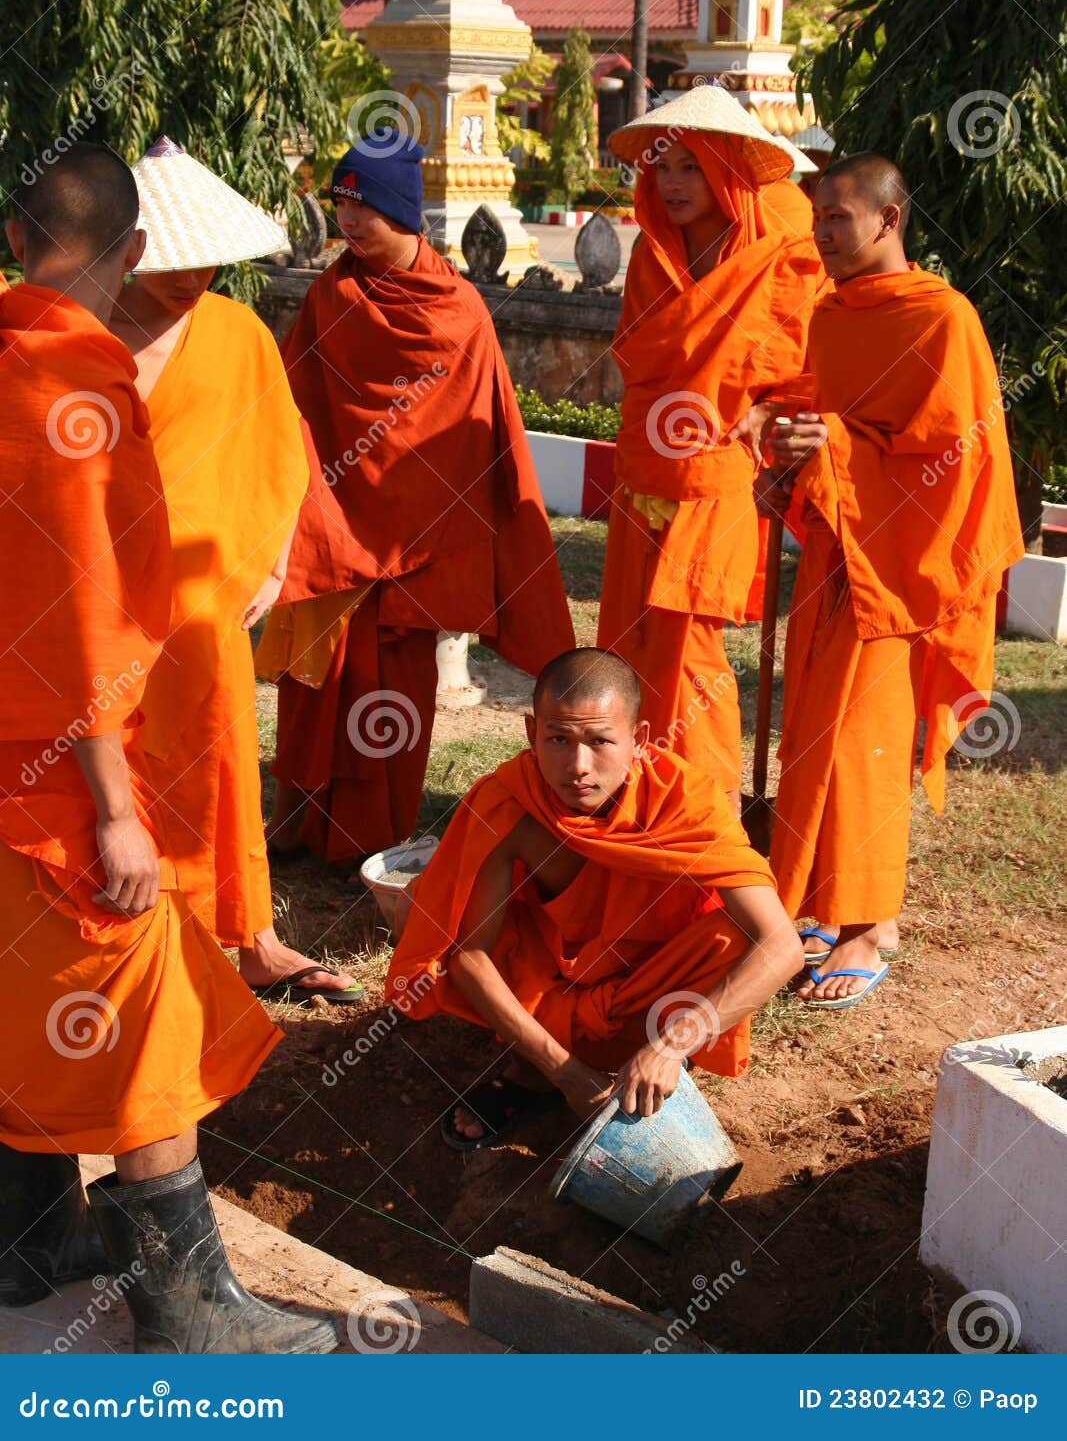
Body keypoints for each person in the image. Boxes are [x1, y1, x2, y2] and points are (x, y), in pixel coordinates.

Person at [0, 144, 337, 1352]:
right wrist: (113, 807)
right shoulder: (71, 390)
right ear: (133, 249)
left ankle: (29, 1239)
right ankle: (193, 1315)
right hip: (56, 774)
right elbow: (80, 618)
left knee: (23, 998)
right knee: (147, 1015)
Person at [258, 129, 574, 863]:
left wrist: (416, 533)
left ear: (401, 211)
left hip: (416, 545)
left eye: (359, 207)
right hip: (332, 528)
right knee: (314, 687)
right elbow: (292, 409)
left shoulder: (456, 309)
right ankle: (298, 821)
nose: (346, 221)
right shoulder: (330, 296)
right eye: (338, 205)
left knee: (389, 696)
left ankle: (370, 839)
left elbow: (473, 436)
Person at [762, 153, 1024, 1007]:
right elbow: (831, 421)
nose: (823, 235)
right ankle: (817, 897)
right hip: (840, 553)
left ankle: (872, 921)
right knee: (812, 724)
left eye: (838, 218)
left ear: (888, 218)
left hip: (903, 561)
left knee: (864, 740)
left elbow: (952, 458)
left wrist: (832, 446)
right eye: (816, 220)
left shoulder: (940, 318)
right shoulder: (833, 315)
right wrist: (789, 468)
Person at [110, 136, 359, 1002]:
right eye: (175, 259)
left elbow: (277, 453)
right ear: (127, 246)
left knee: (215, 756)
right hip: (99, 589)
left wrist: (271, 559)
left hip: (207, 588)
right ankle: (134, 925)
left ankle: (253, 936)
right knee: (108, 760)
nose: (194, 277)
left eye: (209, 259)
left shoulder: (236, 330)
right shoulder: (83, 326)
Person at [386, 647, 803, 1147]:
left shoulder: (684, 803)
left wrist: (673, 1044)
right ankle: (532, 1073)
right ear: (529, 733)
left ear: (639, 740)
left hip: (646, 998)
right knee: (424, 913)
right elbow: (471, 954)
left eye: (600, 741)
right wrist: (563, 1071)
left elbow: (782, 944)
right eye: (557, 739)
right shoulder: (509, 802)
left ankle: (642, 1065)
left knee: (732, 934)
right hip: (546, 987)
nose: (577, 767)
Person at [596, 85, 826, 813]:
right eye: (662, 166)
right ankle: (636, 795)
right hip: (643, 469)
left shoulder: (783, 254)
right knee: (630, 647)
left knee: (690, 653)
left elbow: (811, 368)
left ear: (727, 167)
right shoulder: (650, 253)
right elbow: (638, 361)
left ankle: (703, 807)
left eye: (690, 167)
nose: (670, 183)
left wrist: (768, 413)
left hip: (722, 476)